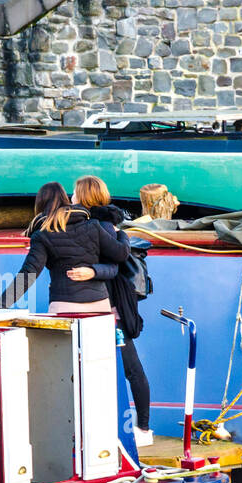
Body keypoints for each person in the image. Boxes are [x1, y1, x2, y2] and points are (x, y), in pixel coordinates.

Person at [71, 174, 153, 448]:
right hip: (108, 306)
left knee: (131, 368)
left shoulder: (98, 226)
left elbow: (115, 262)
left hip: (110, 307)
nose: (71, 197)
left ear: (83, 196)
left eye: (74, 192)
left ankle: (142, 429)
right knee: (128, 369)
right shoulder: (105, 224)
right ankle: (138, 428)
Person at [0, 181, 128, 315]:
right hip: (99, 303)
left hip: (65, 304)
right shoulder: (93, 225)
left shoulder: (42, 235)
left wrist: (1, 306)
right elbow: (121, 254)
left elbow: (28, 274)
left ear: (40, 205)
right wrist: (121, 232)